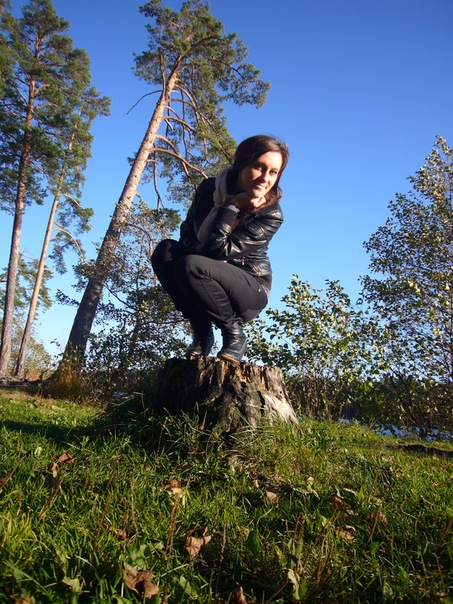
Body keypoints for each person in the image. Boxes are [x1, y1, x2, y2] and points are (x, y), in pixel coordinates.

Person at [151, 134, 289, 363]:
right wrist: (203, 251)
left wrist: (232, 206)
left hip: (249, 288)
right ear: (241, 164)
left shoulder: (270, 213)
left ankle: (234, 335)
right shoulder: (210, 189)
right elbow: (186, 233)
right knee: (165, 252)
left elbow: (216, 250)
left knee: (192, 265)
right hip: (202, 275)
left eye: (273, 172)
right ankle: (202, 332)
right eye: (259, 167)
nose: (265, 178)